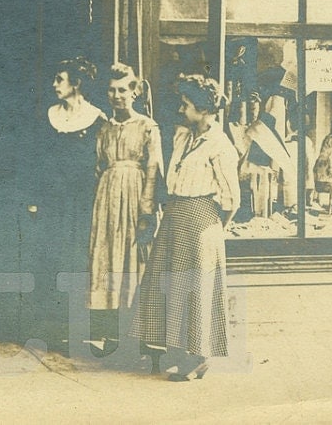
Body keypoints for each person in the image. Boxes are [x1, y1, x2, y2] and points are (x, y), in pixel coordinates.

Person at [133, 74, 239, 381]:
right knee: (170, 285)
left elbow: (232, 199)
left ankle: (198, 358)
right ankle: (176, 352)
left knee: (195, 289)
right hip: (174, 216)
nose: (181, 109)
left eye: (186, 104)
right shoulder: (182, 136)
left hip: (200, 220)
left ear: (203, 109)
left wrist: (213, 229)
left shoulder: (220, 145)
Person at [87, 63, 163, 357]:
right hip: (107, 199)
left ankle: (141, 334)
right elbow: (98, 166)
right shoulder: (104, 129)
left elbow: (154, 169)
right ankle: (107, 332)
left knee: (135, 259)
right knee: (107, 257)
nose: (117, 96)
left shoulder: (147, 127)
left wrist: (146, 210)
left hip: (136, 197)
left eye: (122, 90)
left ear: (135, 92)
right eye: (112, 90)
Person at [40, 58, 105, 343]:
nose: (54, 84)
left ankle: (79, 327)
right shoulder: (50, 115)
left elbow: (101, 162)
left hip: (82, 202)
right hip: (54, 201)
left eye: (60, 79)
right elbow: (39, 159)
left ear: (76, 83)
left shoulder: (97, 119)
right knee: (52, 256)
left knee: (79, 257)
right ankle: (54, 327)